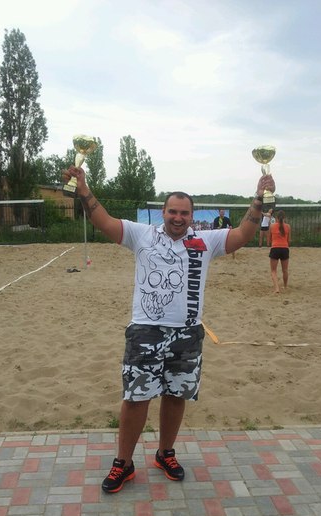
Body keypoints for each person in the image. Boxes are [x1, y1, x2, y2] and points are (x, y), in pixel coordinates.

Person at [63, 164, 275, 493]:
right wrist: (84, 190)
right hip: (145, 331)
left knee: (176, 396)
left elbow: (243, 235)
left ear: (192, 216)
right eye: (172, 211)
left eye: (184, 213)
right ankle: (124, 463)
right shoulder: (142, 234)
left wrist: (259, 199)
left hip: (187, 333)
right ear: (163, 212)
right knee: (136, 398)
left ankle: (165, 453)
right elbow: (103, 221)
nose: (178, 217)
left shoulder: (205, 240)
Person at [269, 209, 290, 294]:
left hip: (275, 248)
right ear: (284, 218)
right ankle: (285, 286)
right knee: (285, 270)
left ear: (276, 218)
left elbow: (269, 239)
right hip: (285, 248)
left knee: (273, 270)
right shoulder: (288, 227)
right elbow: (289, 240)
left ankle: (277, 288)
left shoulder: (272, 226)